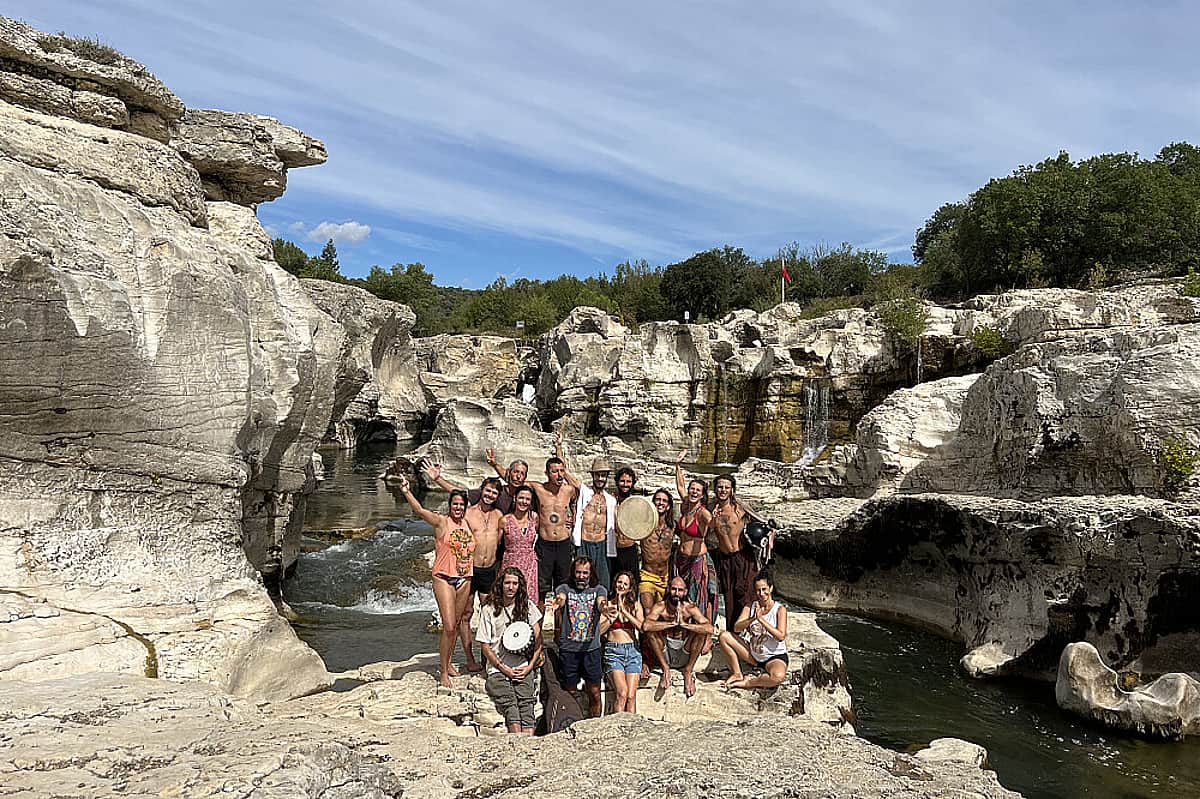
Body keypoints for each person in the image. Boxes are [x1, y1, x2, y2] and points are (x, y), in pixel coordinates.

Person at [422, 464, 503, 673]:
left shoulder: (498, 515)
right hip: (467, 570)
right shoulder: (467, 513)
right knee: (464, 616)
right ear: (481, 491)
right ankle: (468, 658)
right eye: (487, 490)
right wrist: (437, 479)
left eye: (494, 492)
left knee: (489, 614)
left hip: (488, 570)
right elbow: (455, 495)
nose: (490, 494)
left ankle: (488, 660)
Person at [396, 475, 474, 688]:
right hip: (444, 577)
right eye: (455, 504)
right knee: (448, 626)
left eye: (461, 505)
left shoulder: (468, 523)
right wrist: (406, 491)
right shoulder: (441, 522)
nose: (458, 508)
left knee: (457, 625)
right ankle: (443, 672)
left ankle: (448, 663)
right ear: (450, 506)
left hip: (465, 578)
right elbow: (420, 511)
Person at [477, 567, 543, 734]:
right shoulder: (488, 610)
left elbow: (538, 641)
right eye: (507, 583)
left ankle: (528, 745)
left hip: (521, 666)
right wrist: (503, 668)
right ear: (501, 584)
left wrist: (529, 667)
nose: (511, 587)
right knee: (510, 705)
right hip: (497, 669)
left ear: (519, 586)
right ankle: (516, 741)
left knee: (526, 703)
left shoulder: (527, 606)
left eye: (515, 583)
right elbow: (485, 646)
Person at [673, 451, 719, 651]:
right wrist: (677, 466)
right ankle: (683, 627)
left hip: (697, 560)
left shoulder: (703, 513)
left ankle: (705, 634)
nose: (692, 492)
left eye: (697, 490)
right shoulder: (685, 506)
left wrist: (716, 518)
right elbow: (680, 486)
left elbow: (714, 525)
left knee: (700, 597)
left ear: (702, 494)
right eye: (692, 489)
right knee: (681, 595)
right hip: (681, 558)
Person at [551, 556, 608, 718]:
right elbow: (561, 599)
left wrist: (604, 609)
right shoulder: (564, 588)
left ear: (591, 573)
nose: (581, 576)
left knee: (595, 692)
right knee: (570, 693)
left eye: (585, 573)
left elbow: (601, 602)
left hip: (591, 651)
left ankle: (595, 724)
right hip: (569, 650)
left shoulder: (599, 590)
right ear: (573, 572)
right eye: (578, 572)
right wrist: (557, 603)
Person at [643, 575, 715, 698]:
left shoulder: (689, 608)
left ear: (685, 591)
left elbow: (710, 628)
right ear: (668, 589)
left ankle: (688, 670)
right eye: (674, 589)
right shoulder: (661, 607)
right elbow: (646, 626)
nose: (676, 593)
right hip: (665, 653)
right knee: (651, 633)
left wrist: (685, 625)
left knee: (701, 633)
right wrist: (670, 624)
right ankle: (665, 668)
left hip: (684, 650)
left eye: (680, 590)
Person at [717, 572, 789, 690]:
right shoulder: (750, 606)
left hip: (774, 657)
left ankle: (749, 683)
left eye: (764, 589)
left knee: (778, 677)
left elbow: (780, 636)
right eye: (758, 590)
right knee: (724, 636)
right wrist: (752, 619)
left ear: (770, 588)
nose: (761, 593)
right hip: (753, 654)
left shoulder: (780, 610)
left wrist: (761, 620)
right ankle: (737, 673)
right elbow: (736, 628)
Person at [710, 473, 759, 632]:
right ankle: (733, 632)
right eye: (720, 487)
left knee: (747, 594)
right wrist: (677, 467)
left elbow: (762, 522)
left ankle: (751, 629)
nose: (723, 490)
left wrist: (770, 534)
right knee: (729, 596)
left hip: (743, 557)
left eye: (726, 487)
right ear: (715, 489)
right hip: (724, 559)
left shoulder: (740, 507)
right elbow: (686, 497)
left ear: (732, 490)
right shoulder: (711, 509)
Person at [638, 488, 676, 680]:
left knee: (663, 619)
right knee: (647, 617)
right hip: (647, 575)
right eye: (657, 500)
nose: (660, 503)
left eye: (664, 500)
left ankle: (661, 657)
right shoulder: (644, 525)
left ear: (668, 505)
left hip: (666, 577)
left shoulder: (673, 526)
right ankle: (645, 659)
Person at [568, 456, 617, 591]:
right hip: (584, 542)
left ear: (607, 477)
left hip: (602, 545)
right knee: (580, 578)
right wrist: (559, 446)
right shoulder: (584, 491)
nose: (600, 478)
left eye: (603, 475)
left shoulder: (611, 500)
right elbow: (565, 473)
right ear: (593, 475)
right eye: (597, 475)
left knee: (603, 582)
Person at [600, 570, 644, 714]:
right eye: (620, 582)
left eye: (625, 584)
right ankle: (617, 729)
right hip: (614, 651)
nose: (622, 586)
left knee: (631, 696)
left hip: (632, 651)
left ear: (630, 587)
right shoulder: (607, 604)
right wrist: (612, 618)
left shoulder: (635, 605)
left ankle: (631, 730)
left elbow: (642, 627)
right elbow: (599, 631)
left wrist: (624, 611)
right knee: (622, 693)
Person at [499, 485, 540, 610]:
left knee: (528, 601)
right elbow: (497, 543)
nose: (524, 502)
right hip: (511, 562)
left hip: (529, 564)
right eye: (521, 498)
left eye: (527, 499)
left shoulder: (534, 517)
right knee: (509, 599)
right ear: (515, 498)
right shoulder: (505, 520)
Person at [610, 467, 641, 586]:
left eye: (628, 482)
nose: (625, 485)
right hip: (613, 550)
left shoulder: (636, 503)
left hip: (629, 550)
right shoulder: (611, 501)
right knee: (613, 585)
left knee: (631, 585)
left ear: (633, 483)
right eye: (622, 481)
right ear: (617, 482)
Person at [484, 449, 539, 515]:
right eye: (516, 472)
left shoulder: (529, 496)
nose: (518, 476)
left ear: (525, 477)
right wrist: (494, 464)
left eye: (522, 473)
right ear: (509, 472)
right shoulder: (498, 493)